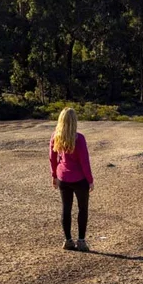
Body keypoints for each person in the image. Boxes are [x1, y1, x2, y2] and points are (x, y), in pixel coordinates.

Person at [49, 107, 94, 251]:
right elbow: (84, 161)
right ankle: (81, 241)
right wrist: (90, 180)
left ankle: (68, 240)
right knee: (82, 209)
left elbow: (52, 158)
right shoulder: (79, 138)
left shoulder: (55, 136)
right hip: (80, 180)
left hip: (63, 178)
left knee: (66, 209)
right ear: (74, 121)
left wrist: (54, 176)